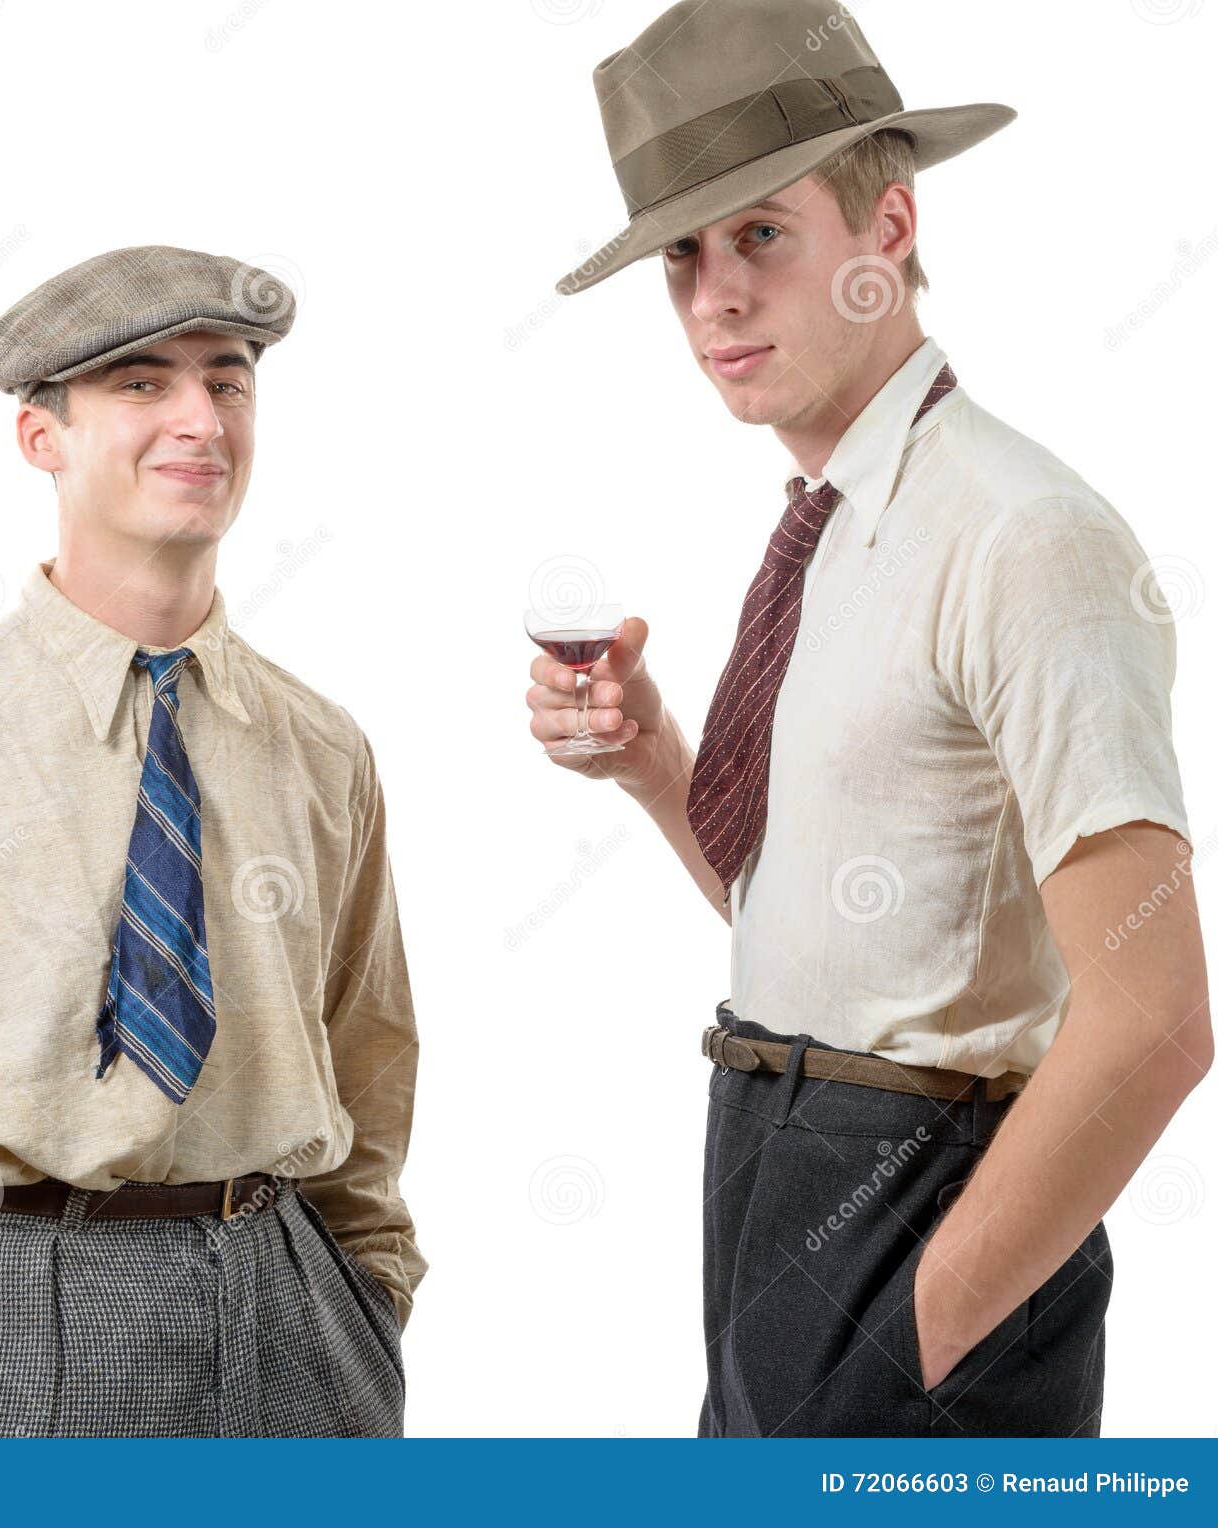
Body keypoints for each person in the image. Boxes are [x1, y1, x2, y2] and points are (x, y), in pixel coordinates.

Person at [530, 0, 1210, 1436]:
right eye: (682, 254)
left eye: (761, 234)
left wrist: (912, 1341)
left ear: (887, 226)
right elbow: (856, 946)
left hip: (924, 1239)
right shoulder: (832, 528)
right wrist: (662, 771)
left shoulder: (1023, 536)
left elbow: (1155, 1022)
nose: (714, 295)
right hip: (771, 1212)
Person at [0, 245, 424, 1438]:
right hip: (17, 1316)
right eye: (142, 385)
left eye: (227, 382)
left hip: (295, 1317)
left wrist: (367, 1301)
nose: (198, 420)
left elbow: (370, 1055)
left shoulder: (322, 751)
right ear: (40, 437)